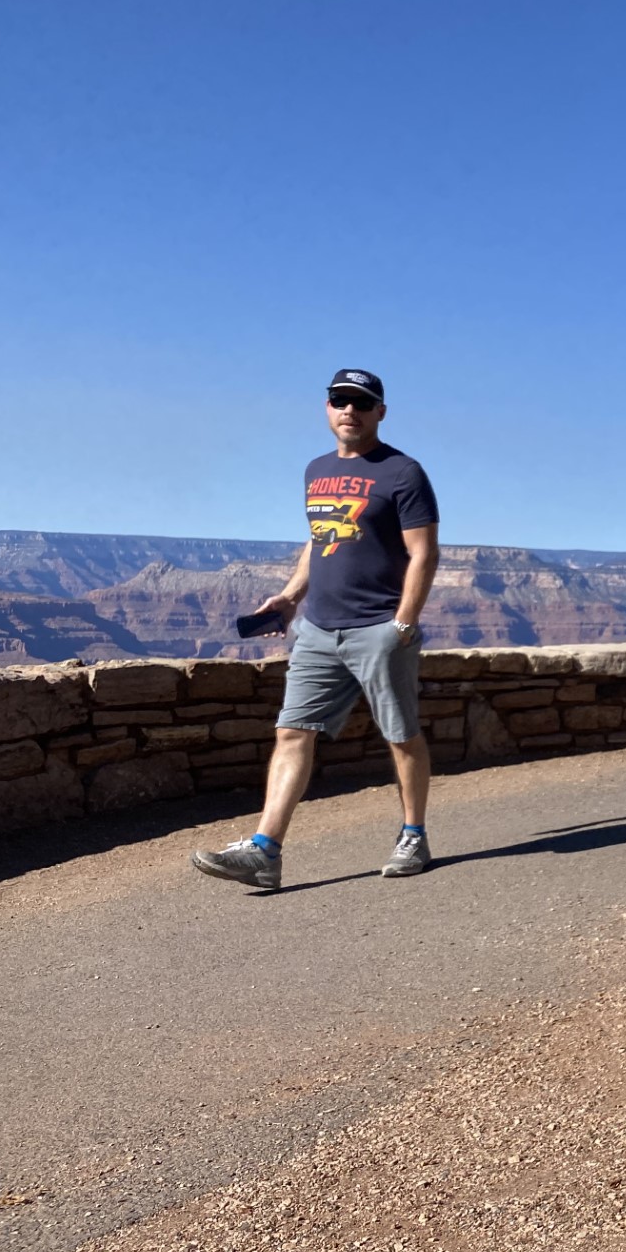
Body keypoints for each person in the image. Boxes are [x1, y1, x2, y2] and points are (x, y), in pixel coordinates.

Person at [191, 369, 439, 889]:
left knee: (400, 736)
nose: (349, 410)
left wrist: (404, 622)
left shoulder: (403, 472)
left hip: (378, 627)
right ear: (327, 408)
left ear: (380, 412)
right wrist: (289, 597)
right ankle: (265, 851)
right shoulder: (316, 471)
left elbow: (423, 552)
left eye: (361, 403)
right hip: (318, 629)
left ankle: (413, 835)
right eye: (339, 400)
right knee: (291, 731)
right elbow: (318, 538)